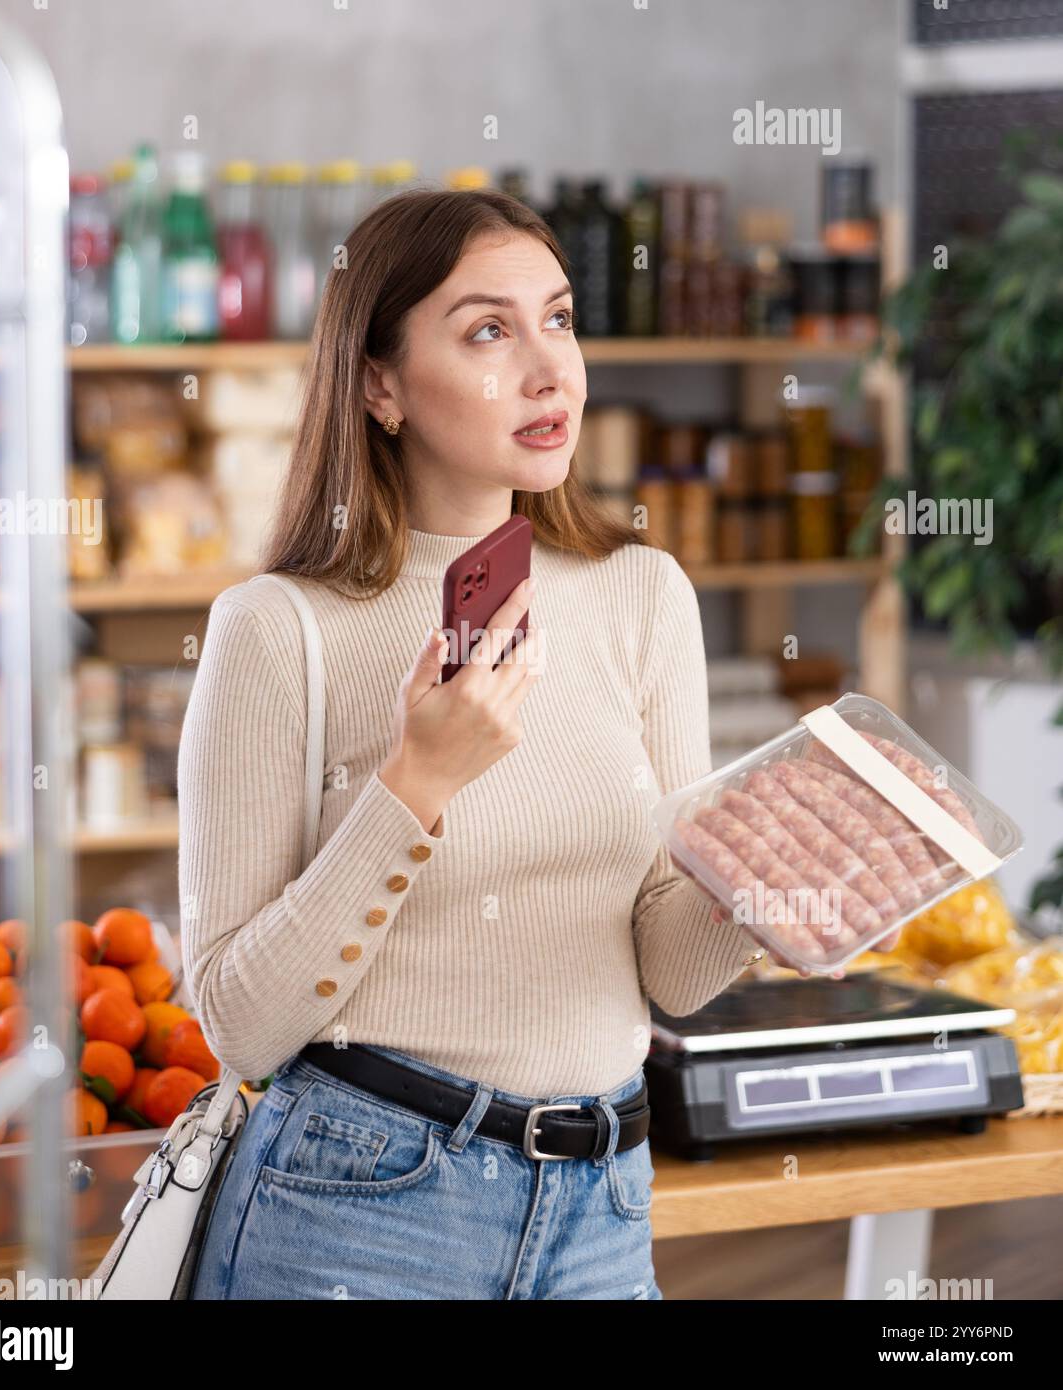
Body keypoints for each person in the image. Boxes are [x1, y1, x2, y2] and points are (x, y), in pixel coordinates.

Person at [180, 187, 893, 1301]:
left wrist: (758, 891)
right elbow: (237, 1021)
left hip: (602, 1202)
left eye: (557, 319)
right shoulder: (279, 630)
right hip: (360, 1207)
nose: (551, 369)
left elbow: (668, 968)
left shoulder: (640, 594)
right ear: (378, 383)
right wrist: (416, 783)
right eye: (486, 332)